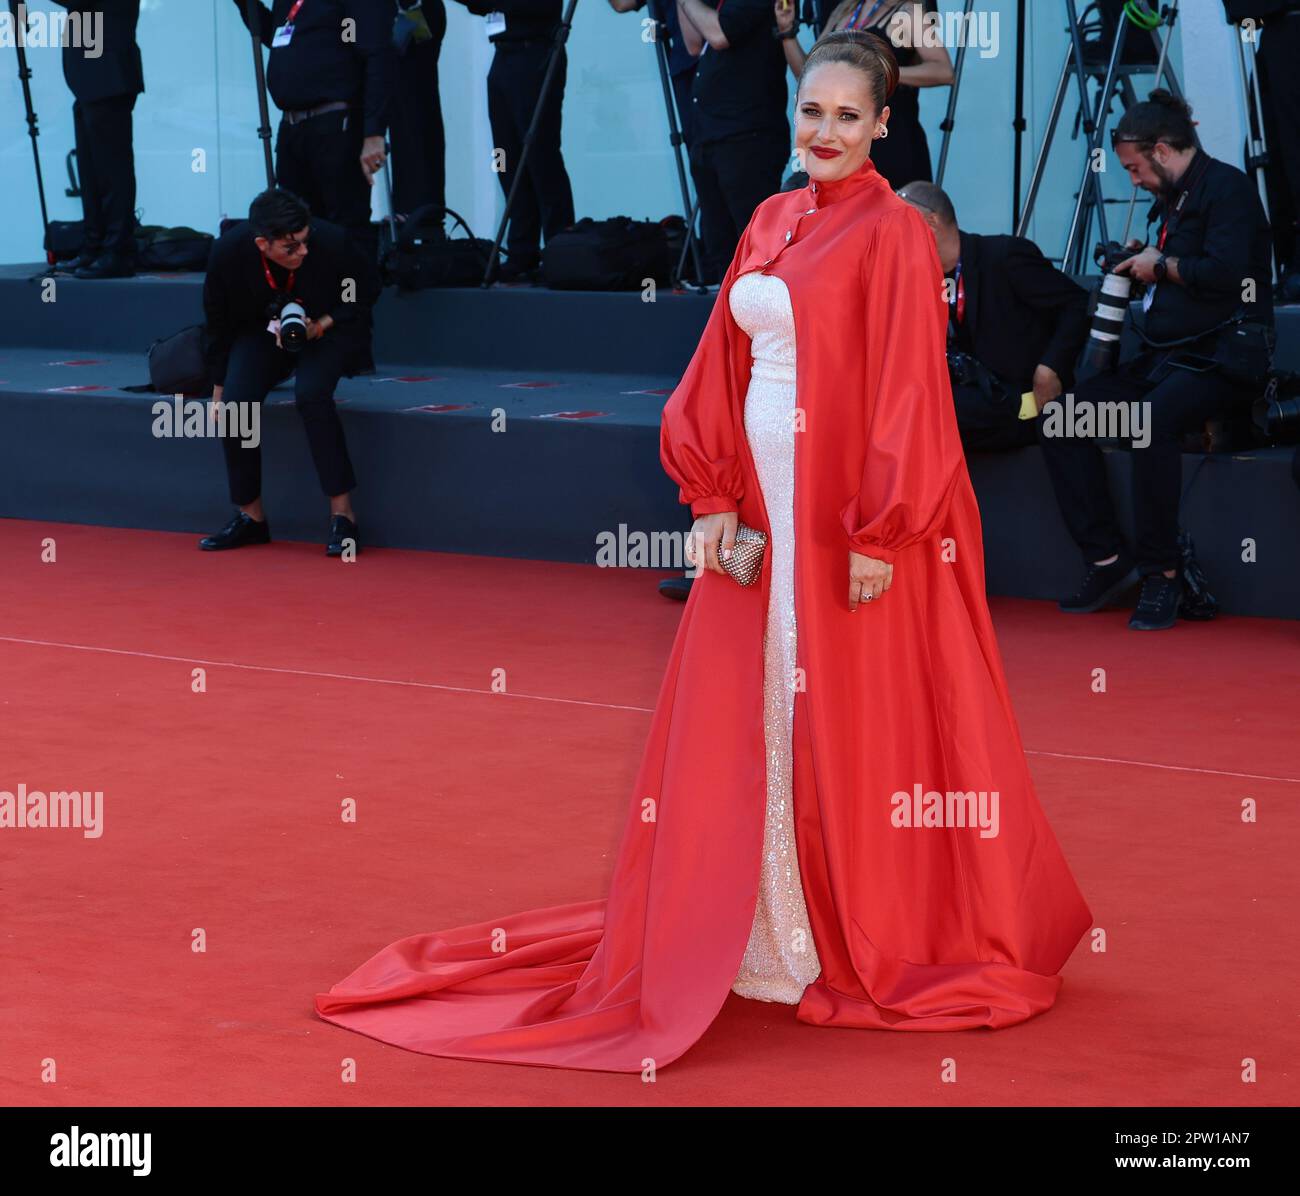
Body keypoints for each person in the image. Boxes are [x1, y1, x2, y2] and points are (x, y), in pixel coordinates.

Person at [313, 30, 1091, 1072]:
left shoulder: (894, 233)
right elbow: (718, 358)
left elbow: (910, 390)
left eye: (847, 117)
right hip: (759, 510)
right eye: (811, 111)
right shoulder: (768, 217)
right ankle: (755, 924)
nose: (824, 132)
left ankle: (840, 927)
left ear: (882, 126)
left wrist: (882, 529)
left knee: (844, 716)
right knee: (748, 705)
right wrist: (712, 493)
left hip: (842, 511)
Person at [1038, 91, 1275, 630]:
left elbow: (1231, 273)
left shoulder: (1228, 189)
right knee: (1060, 418)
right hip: (1167, 360)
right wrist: (1143, 259)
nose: (1134, 180)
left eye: (1135, 169)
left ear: (1164, 150)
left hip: (1223, 360)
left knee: (1150, 424)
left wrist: (1160, 264)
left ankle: (1161, 574)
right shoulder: (1174, 198)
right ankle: (1106, 559)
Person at [199, 189, 380, 557]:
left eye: (305, 240)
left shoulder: (332, 241)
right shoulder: (228, 253)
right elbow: (218, 322)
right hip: (262, 330)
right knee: (236, 406)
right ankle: (251, 518)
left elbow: (365, 291)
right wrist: (219, 387)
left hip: (326, 327)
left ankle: (343, 517)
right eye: (291, 247)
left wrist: (323, 324)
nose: (303, 252)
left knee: (311, 395)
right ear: (262, 243)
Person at [231, 0, 398, 371]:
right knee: (292, 237)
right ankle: (304, 337)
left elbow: (377, 55)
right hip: (293, 127)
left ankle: (353, 344)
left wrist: (373, 132)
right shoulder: (288, 3)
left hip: (335, 122)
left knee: (343, 236)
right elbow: (273, 37)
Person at [897, 180, 1090, 453]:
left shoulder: (1003, 256)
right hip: (973, 399)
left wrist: (1050, 367)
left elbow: (1077, 304)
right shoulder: (922, 279)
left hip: (1025, 401)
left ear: (931, 223)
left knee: (923, 415)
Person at [450, 0, 576, 283]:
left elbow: (539, 7)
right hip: (503, 53)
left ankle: (560, 248)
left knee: (541, 154)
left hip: (536, 51)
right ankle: (523, 251)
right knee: (506, 156)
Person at [778, 0, 952, 189]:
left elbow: (944, 71)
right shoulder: (846, 9)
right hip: (844, 139)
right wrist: (787, 33)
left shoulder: (908, 12)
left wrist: (881, 72)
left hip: (891, 141)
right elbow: (808, 74)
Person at [677, 0, 790, 284]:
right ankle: (725, 322)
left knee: (754, 246)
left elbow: (719, 35)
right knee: (720, 246)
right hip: (707, 133)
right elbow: (692, 43)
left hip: (747, 135)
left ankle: (762, 322)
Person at [52, 1, 143, 279]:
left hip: (108, 72)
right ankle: (94, 244)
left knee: (111, 172)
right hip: (88, 78)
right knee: (91, 173)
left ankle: (116, 250)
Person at [388, 2, 449, 220]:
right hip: (404, 19)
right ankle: (407, 206)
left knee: (416, 119)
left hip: (416, 14)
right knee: (403, 124)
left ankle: (419, 208)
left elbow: (423, 40)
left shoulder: (427, 9)